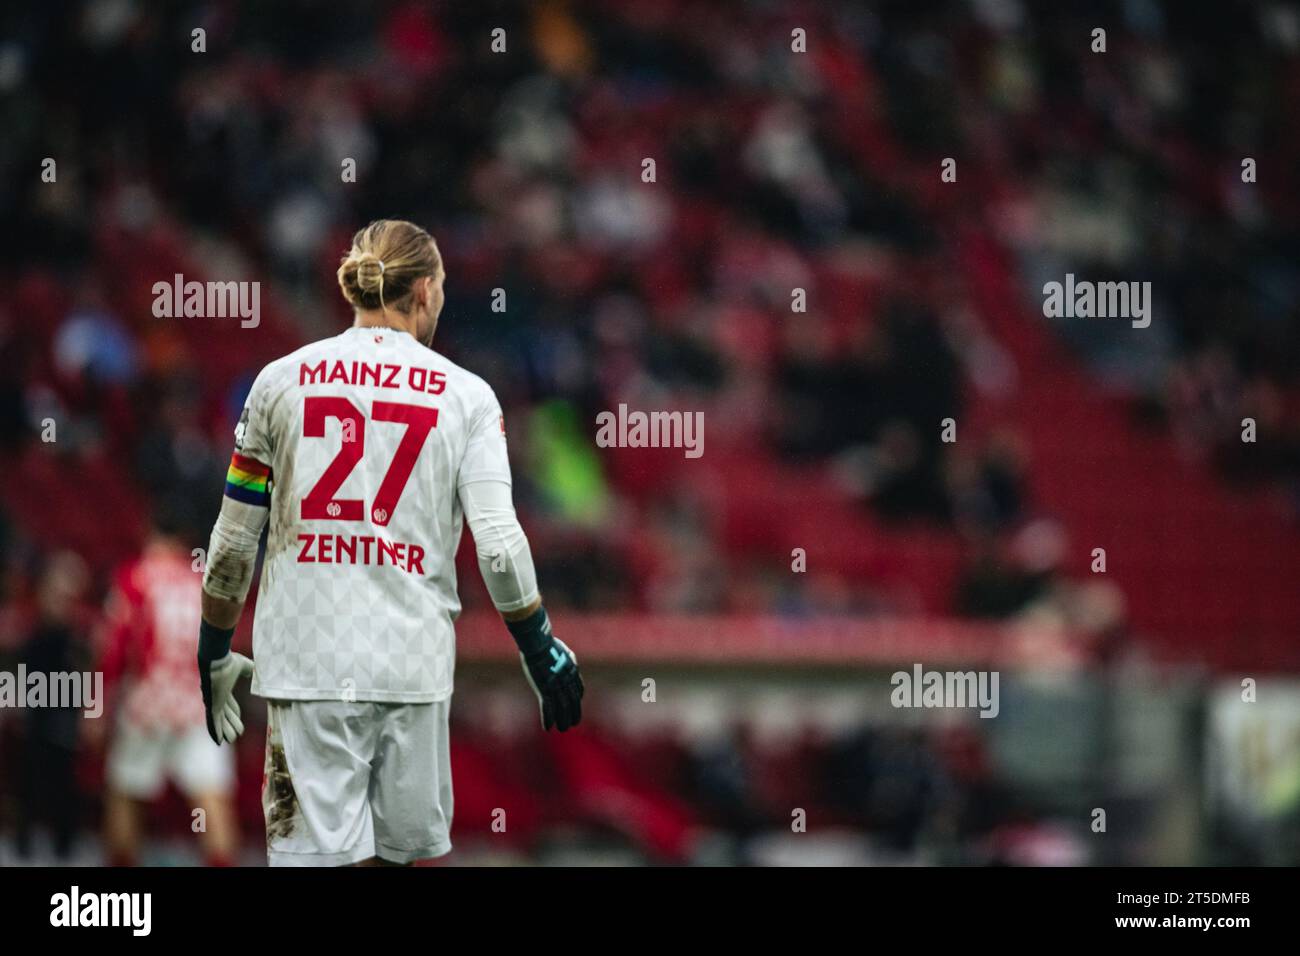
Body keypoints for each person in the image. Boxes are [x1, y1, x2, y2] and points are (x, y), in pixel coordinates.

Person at [197, 219, 583, 867]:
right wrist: (538, 646)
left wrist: (212, 650)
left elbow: (235, 545)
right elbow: (498, 545)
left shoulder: (280, 383)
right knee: (403, 860)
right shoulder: (469, 397)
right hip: (413, 668)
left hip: (307, 667)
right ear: (426, 291)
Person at [100, 505, 240, 865]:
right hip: (198, 703)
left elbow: (116, 646)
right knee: (211, 795)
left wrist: (96, 704)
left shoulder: (137, 577)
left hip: (148, 702)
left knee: (126, 790)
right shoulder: (202, 579)